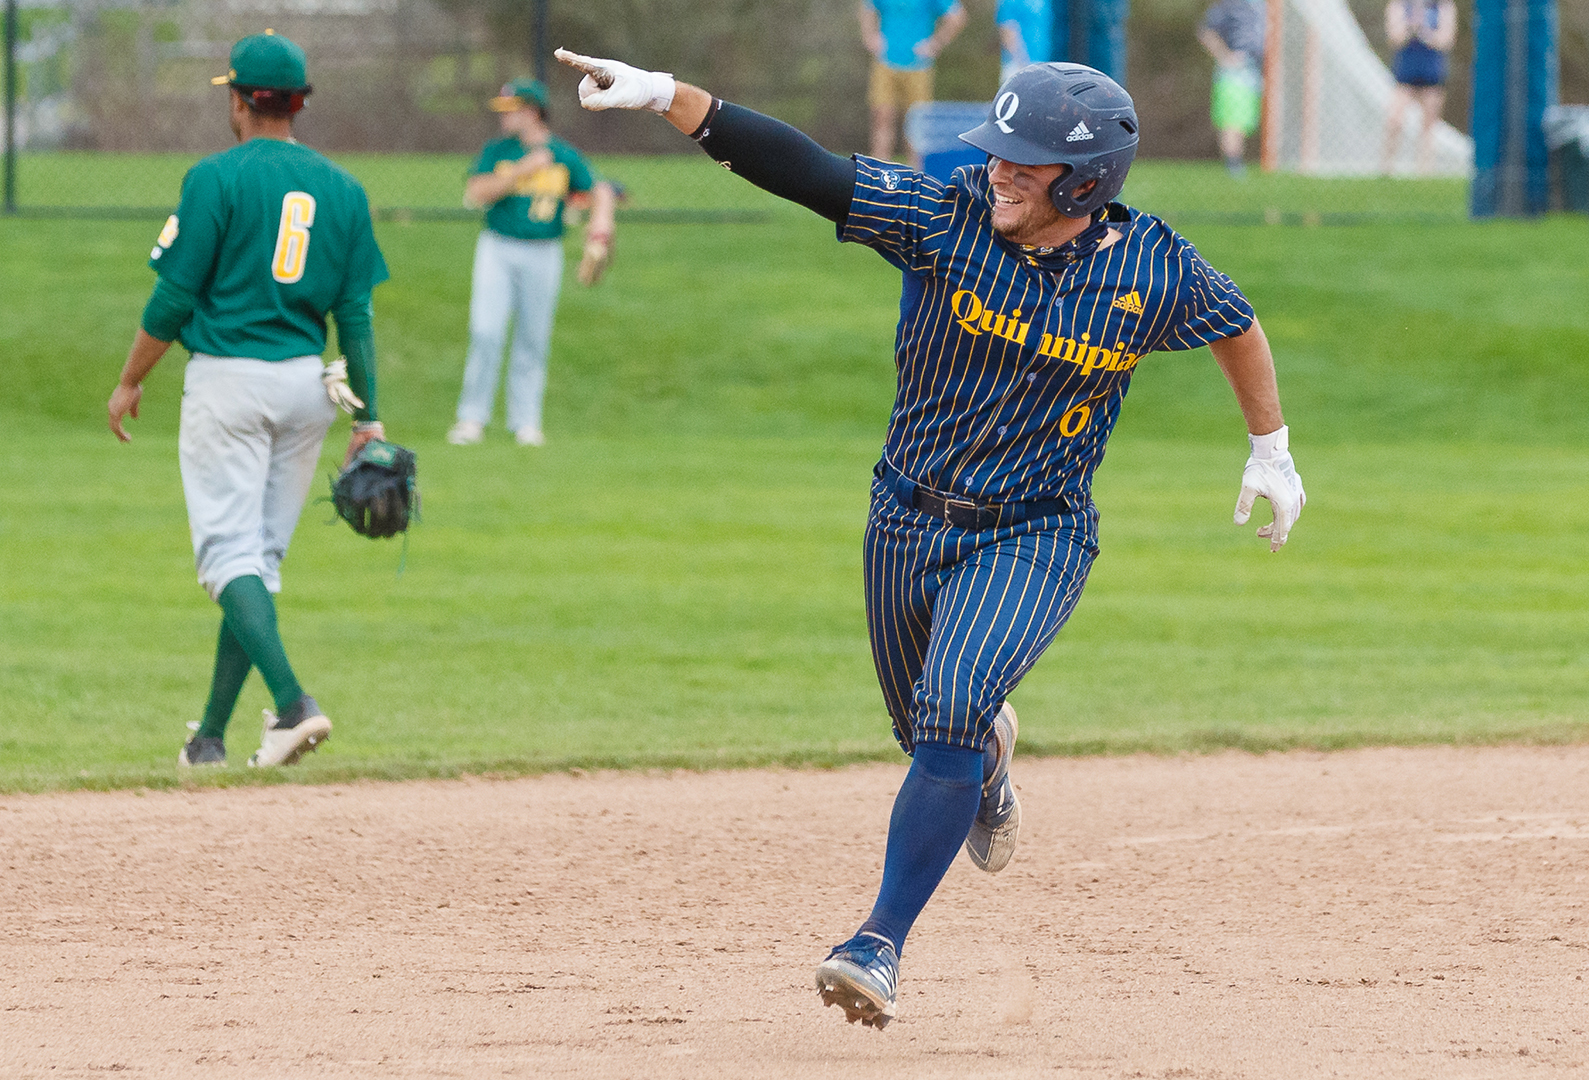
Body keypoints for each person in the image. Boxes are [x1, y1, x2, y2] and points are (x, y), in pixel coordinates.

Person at [554, 49, 1307, 1028]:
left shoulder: (1152, 268)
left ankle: (878, 943)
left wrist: (1271, 449)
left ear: (1085, 181)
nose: (998, 170)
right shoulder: (942, 217)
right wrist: (668, 98)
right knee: (929, 734)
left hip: (1035, 532)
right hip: (904, 520)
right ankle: (985, 760)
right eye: (997, 152)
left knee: (949, 707)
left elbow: (1236, 323)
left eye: (1025, 162)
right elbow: (806, 169)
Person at [107, 30, 388, 769]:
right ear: (297, 104)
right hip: (306, 386)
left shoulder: (214, 177)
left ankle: (294, 705)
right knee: (255, 563)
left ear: (238, 101)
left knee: (228, 558)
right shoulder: (343, 188)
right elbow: (355, 316)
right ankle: (208, 740)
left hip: (229, 383)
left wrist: (131, 378)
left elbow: (174, 298)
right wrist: (369, 417)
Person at [447, 78, 615, 448]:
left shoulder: (562, 154)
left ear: (533, 112)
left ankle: (525, 422)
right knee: (486, 332)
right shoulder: (498, 151)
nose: (504, 117)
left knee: (532, 337)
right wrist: (521, 171)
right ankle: (471, 418)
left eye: (512, 110)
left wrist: (601, 227)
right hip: (498, 247)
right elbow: (476, 193)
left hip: (544, 251)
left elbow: (597, 189)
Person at [859, 0, 968, 163]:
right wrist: (869, 35)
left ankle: (915, 172)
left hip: (918, 66)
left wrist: (935, 44)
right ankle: (878, 170)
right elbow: (867, 7)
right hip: (885, 62)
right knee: (882, 118)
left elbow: (957, 16)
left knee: (916, 126)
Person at [1379, 0, 1457, 175]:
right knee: (1394, 120)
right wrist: (1410, 29)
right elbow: (1394, 37)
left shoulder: (1442, 6)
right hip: (1405, 73)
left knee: (1428, 126)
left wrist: (1425, 33)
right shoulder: (1400, 5)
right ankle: (1386, 169)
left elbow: (1446, 40)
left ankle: (1424, 171)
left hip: (1431, 73)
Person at [1196, 0, 1266, 178]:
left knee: (1245, 120)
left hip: (1258, 71)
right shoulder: (1230, 5)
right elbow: (1206, 31)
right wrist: (1225, 57)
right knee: (1233, 120)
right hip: (1236, 72)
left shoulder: (1264, 5)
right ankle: (1233, 166)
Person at [997, 0, 1052, 85]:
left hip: (1042, 63)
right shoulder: (1010, 2)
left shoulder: (1044, 2)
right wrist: (1021, 62)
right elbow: (1007, 30)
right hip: (1018, 65)